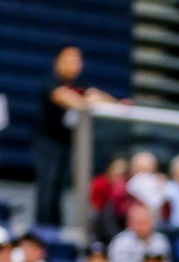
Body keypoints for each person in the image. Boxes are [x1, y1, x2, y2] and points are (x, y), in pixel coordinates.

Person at [34, 45, 118, 226]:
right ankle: (43, 227)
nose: (74, 64)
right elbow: (65, 98)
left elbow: (97, 95)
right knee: (48, 186)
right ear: (58, 61)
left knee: (60, 187)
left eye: (77, 60)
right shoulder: (51, 81)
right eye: (70, 59)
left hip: (67, 142)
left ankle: (55, 227)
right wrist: (87, 101)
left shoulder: (81, 83)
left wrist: (115, 103)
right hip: (48, 142)